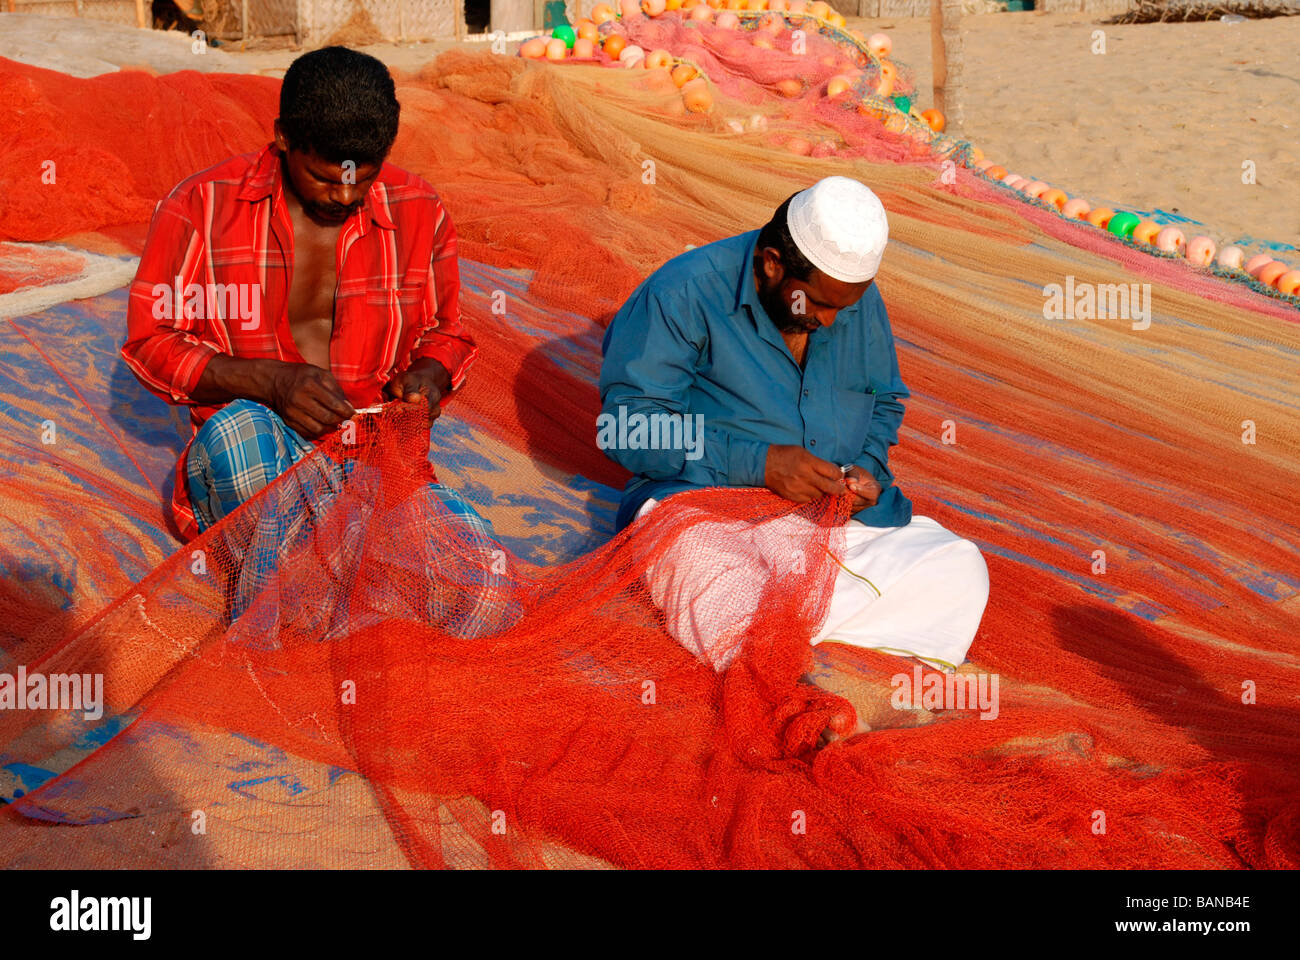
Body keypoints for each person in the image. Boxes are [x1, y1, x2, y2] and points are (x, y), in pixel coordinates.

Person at [122, 46, 511, 635]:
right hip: (262, 460)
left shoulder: (419, 208)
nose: (346, 198)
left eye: (364, 179)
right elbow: (151, 340)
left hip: (375, 464)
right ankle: (345, 587)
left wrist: (429, 374)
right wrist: (269, 383)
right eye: (325, 178)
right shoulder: (200, 206)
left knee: (486, 592)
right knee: (237, 435)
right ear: (282, 139)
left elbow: (446, 332)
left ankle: (323, 585)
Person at [599, 176, 989, 674]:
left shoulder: (851, 300)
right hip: (709, 515)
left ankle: (779, 630)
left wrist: (866, 471)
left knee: (957, 567)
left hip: (826, 522)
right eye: (818, 304)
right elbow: (627, 428)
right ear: (771, 264)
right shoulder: (684, 292)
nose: (830, 321)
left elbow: (884, 399)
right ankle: (781, 671)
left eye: (843, 307)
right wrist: (759, 464)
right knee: (707, 569)